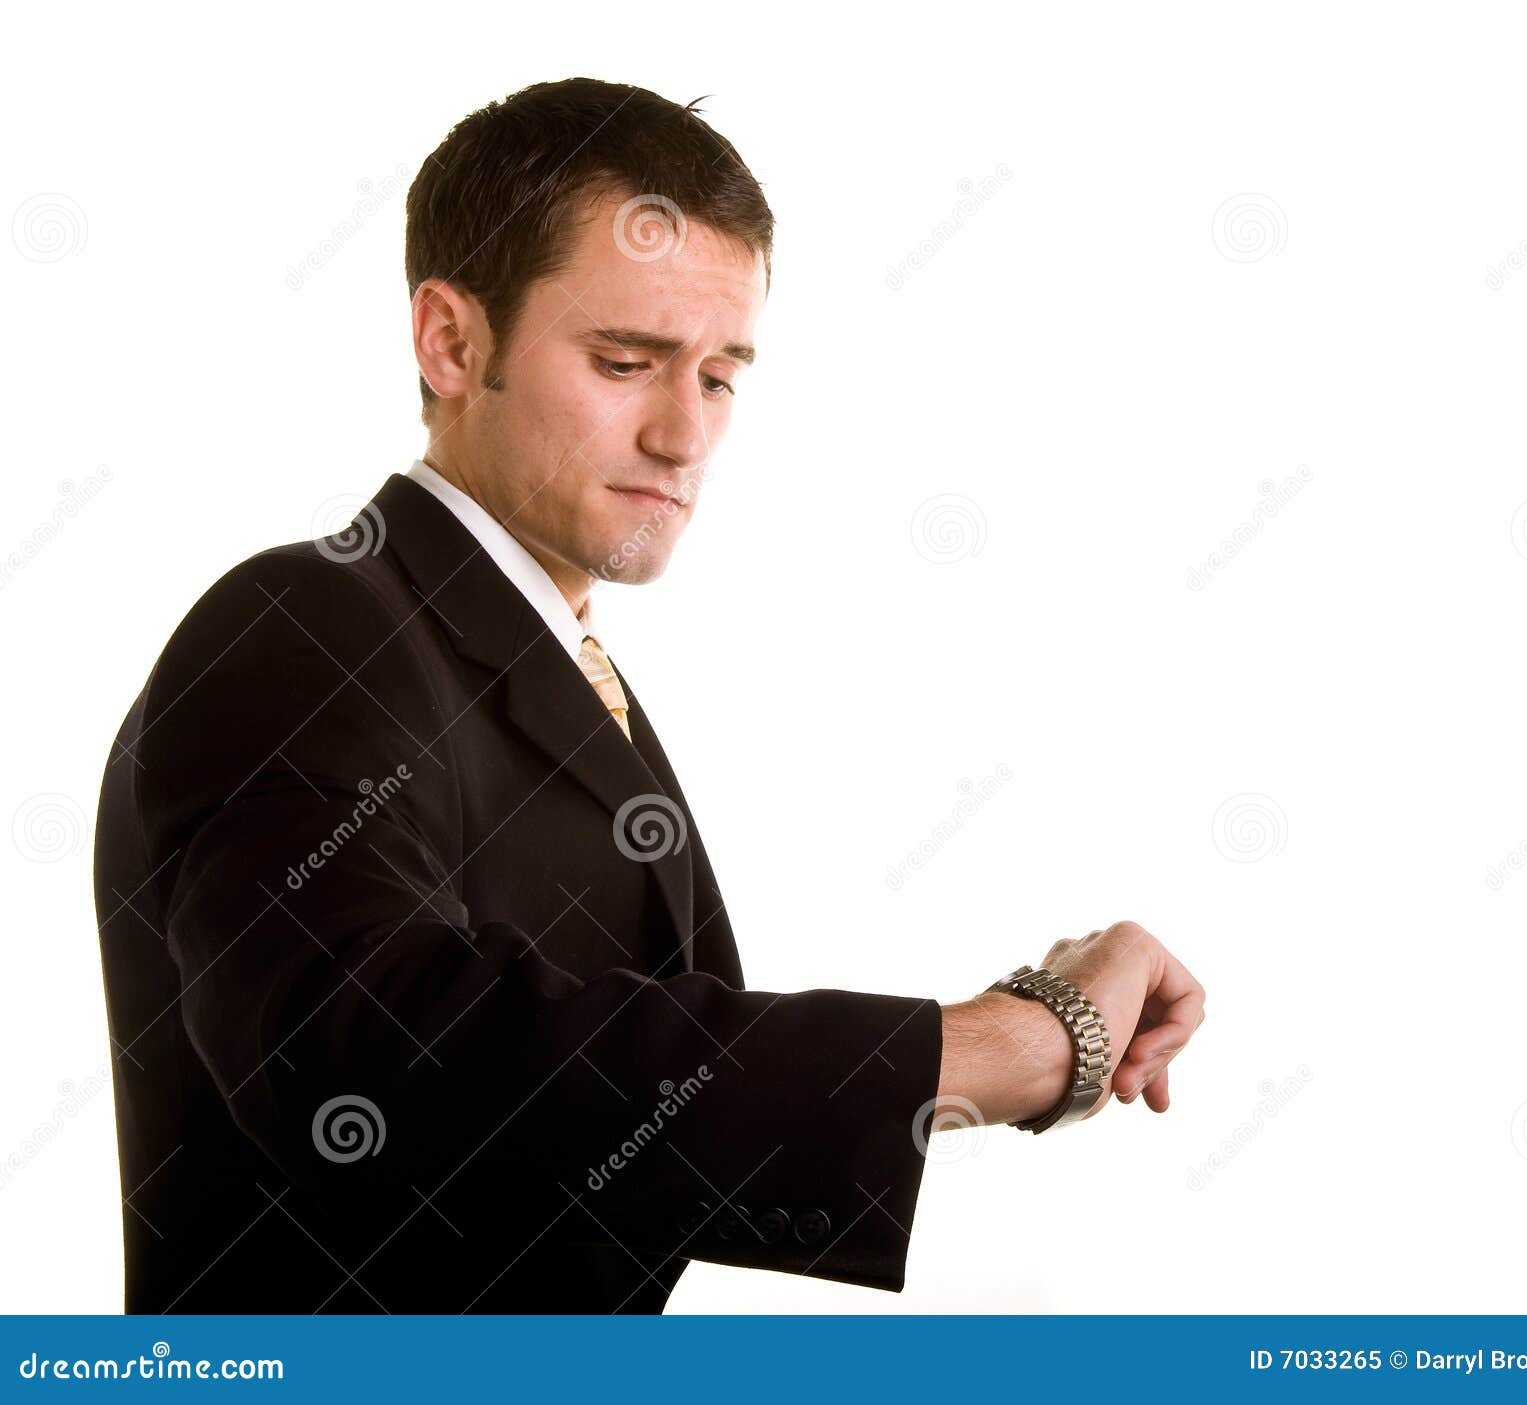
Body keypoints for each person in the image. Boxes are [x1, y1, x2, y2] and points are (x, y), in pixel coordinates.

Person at [92, 76, 1205, 1315]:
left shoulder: (554, 665)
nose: (687, 436)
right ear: (452, 342)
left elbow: (611, 1120)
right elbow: (373, 1055)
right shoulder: (305, 623)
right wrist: (1009, 1045)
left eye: (722, 376)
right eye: (627, 361)